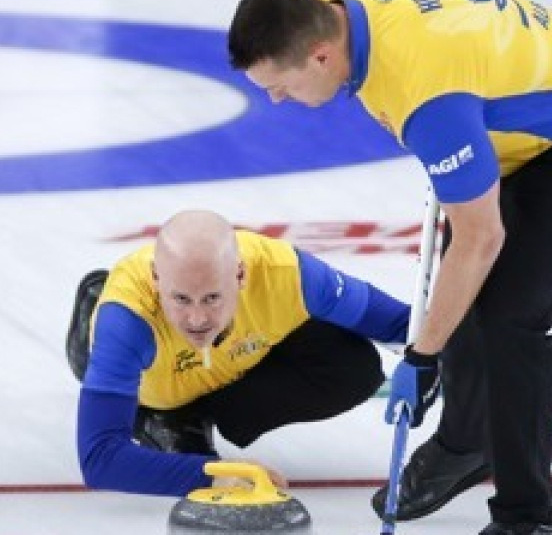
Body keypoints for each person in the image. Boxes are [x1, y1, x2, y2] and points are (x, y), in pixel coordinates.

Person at [226, 0, 552, 534]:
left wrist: (423, 358)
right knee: (464, 300)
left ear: (320, 55)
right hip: (495, 133)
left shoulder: (427, 97)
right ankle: (464, 444)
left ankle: (526, 517)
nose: (276, 101)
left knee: (507, 323)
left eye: (280, 85)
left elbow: (481, 240)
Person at [67, 209, 410, 496]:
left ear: (241, 274)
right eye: (181, 299)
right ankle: (162, 408)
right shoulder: (126, 321)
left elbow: (402, 326)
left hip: (230, 359)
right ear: (156, 280)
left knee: (354, 367)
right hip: (149, 378)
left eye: (213, 297)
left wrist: (440, 371)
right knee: (189, 457)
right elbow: (99, 458)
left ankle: (200, 410)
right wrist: (210, 475)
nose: (198, 318)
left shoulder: (286, 273)